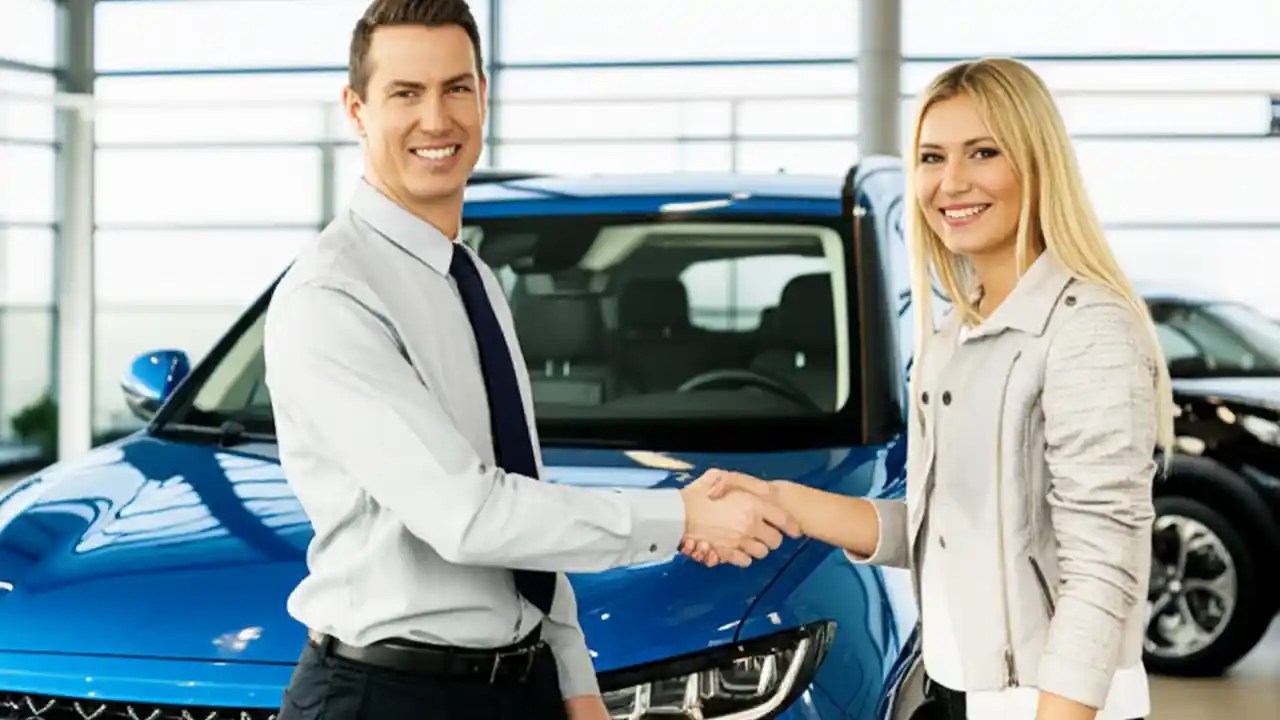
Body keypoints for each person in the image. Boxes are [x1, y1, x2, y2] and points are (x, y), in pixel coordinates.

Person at [262, 2, 800, 719]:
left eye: (456, 88)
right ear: (356, 109)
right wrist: (681, 516)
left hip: (520, 688)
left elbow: (519, 488)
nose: (436, 119)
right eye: (405, 93)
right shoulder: (333, 295)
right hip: (388, 698)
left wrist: (573, 676)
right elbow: (467, 515)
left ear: (483, 95)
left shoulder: (471, 278)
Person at [686, 57, 1172, 720]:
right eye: (932, 157)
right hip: (957, 687)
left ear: (1037, 163)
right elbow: (937, 530)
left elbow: (1102, 574)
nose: (952, 183)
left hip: (1051, 703)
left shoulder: (1085, 330)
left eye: (983, 152)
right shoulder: (958, 333)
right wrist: (782, 500)